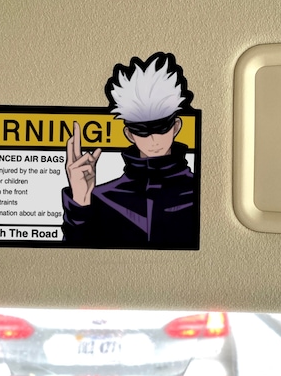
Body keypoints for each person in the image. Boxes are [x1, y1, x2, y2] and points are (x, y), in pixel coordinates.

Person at [61, 53, 199, 249]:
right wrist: (81, 202)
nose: (153, 140)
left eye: (161, 128)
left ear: (176, 126)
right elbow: (73, 258)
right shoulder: (103, 199)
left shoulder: (199, 193)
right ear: (129, 134)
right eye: (142, 131)